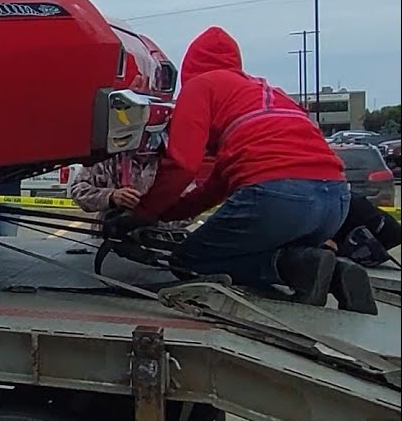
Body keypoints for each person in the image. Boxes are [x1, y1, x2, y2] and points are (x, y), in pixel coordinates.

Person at [124, 26, 371, 310]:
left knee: (190, 260)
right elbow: (216, 186)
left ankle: (297, 269)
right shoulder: (268, 93)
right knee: (264, 247)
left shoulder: (201, 86)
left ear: (190, 67)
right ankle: (333, 273)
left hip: (278, 197)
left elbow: (182, 164)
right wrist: (164, 213)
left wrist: (142, 214)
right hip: (335, 202)